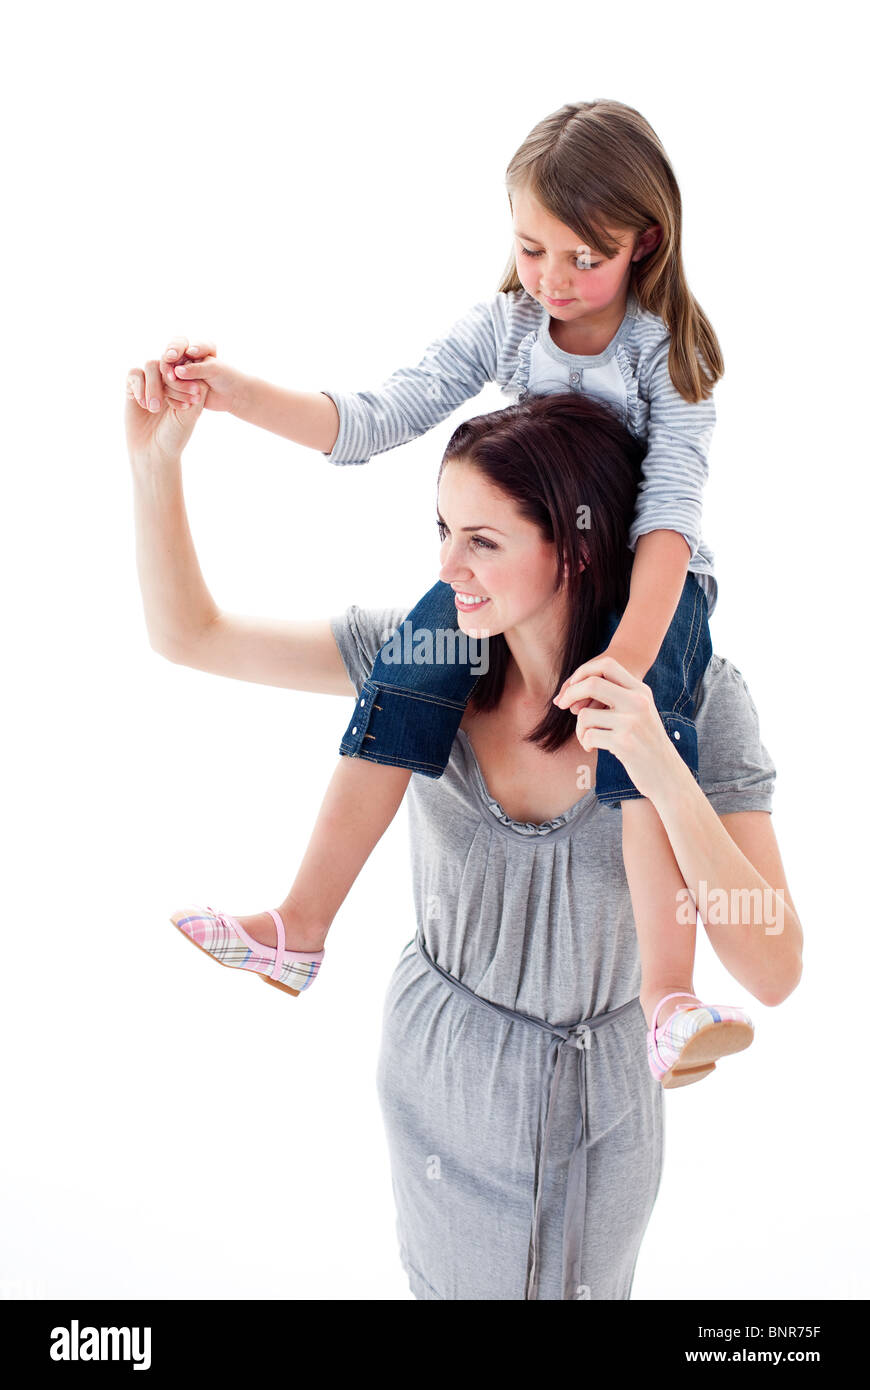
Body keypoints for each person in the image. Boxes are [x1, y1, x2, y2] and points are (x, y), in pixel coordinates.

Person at [124, 378, 803, 1299]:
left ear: (577, 547)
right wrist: (154, 462)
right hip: (434, 1068)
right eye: (442, 532)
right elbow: (190, 635)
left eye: (482, 541)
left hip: (594, 1105)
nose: (450, 570)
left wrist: (659, 764)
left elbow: (772, 965)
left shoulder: (699, 701)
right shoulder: (425, 664)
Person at [141, 98, 749, 1082]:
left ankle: (669, 997)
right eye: (532, 249)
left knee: (647, 749)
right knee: (406, 679)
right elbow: (377, 417)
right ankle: (300, 925)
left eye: (583, 258)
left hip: (644, 587)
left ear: (645, 241)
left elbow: (669, 522)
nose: (553, 280)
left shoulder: (666, 354)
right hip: (536, 572)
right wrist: (230, 391)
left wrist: (627, 668)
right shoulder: (510, 325)